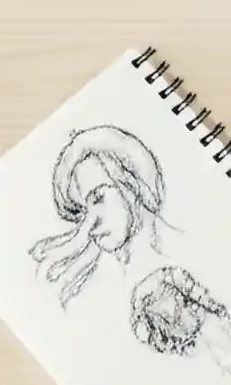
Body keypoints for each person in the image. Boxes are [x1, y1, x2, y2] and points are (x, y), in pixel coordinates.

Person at [29, 125, 165, 306]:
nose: (91, 226)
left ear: (132, 185)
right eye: (83, 213)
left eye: (98, 198)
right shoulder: (91, 295)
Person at [131, 266, 231, 376]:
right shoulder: (145, 324)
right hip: (193, 335)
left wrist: (210, 304)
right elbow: (161, 344)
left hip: (200, 321)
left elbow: (178, 278)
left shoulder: (159, 284)